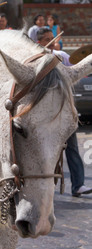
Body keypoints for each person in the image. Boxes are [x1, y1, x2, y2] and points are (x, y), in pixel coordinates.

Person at [37, 27, 92, 198]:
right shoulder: (36, 58)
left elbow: (77, 67)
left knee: (73, 148)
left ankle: (78, 185)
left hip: (64, 110)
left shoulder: (62, 56)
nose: (51, 42)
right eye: (47, 39)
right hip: (44, 113)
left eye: (52, 38)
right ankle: (40, 187)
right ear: (39, 42)